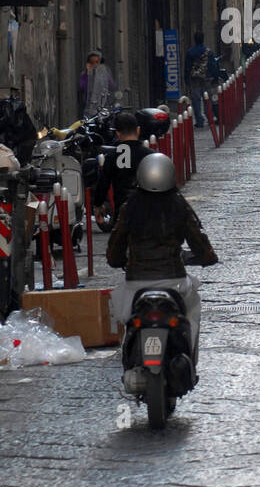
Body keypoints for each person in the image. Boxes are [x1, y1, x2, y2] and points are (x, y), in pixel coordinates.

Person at [107, 153, 218, 369]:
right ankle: (189, 360)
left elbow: (114, 249)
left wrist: (119, 260)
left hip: (135, 282)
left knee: (126, 318)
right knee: (192, 308)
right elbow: (198, 240)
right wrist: (207, 257)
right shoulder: (179, 206)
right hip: (173, 280)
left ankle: (129, 359)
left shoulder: (129, 208)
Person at [92, 112, 152, 225]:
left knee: (118, 242)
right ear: (138, 130)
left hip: (123, 215)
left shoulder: (112, 156)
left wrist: (98, 206)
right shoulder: (149, 155)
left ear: (118, 134)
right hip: (148, 213)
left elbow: (103, 184)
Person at [185, 30, 217, 128]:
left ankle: (199, 120)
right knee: (207, 99)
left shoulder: (190, 52)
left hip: (195, 79)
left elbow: (187, 67)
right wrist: (214, 77)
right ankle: (209, 117)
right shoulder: (209, 51)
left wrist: (186, 79)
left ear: (194, 40)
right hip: (206, 78)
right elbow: (213, 65)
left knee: (196, 100)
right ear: (203, 39)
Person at [78, 51, 117, 118]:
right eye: (92, 62)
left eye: (97, 62)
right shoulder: (83, 75)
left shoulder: (104, 75)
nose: (95, 65)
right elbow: (83, 88)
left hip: (103, 107)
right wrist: (88, 75)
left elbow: (112, 87)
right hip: (89, 108)